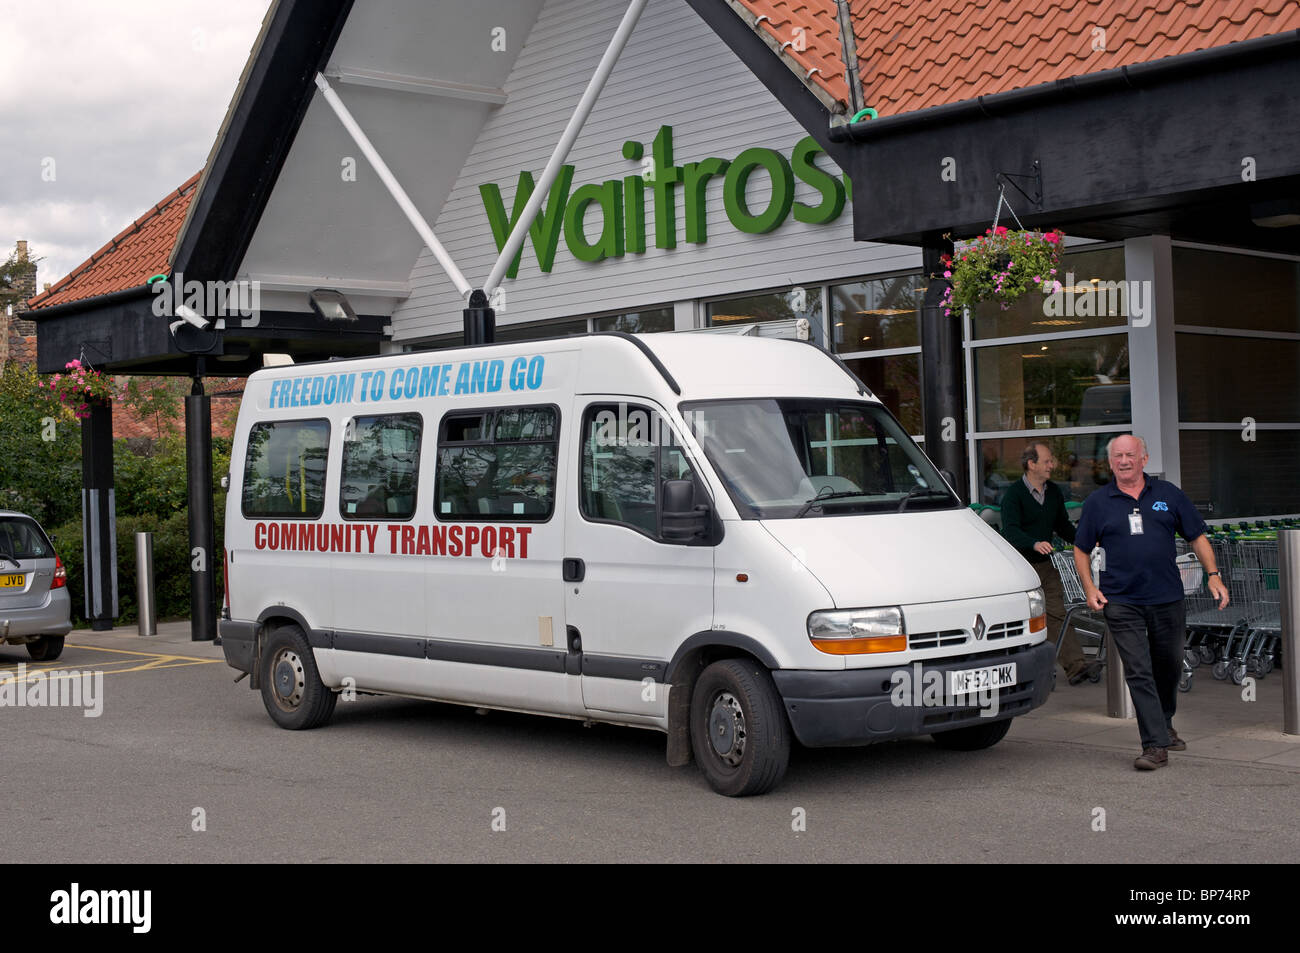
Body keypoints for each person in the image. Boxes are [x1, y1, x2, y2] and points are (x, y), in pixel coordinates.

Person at [1073, 435, 1229, 771]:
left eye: (1131, 454)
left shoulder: (1168, 495)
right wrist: (1089, 587)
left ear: (1144, 459)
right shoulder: (1098, 502)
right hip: (1121, 600)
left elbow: (1196, 536)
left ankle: (1165, 722)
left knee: (1168, 666)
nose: (1124, 460)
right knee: (1139, 671)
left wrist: (1213, 574)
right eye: (1118, 456)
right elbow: (1081, 549)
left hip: (1166, 597)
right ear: (1110, 462)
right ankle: (1155, 745)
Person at [1000, 441, 1099, 685]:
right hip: (1021, 569)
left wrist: (1085, 542)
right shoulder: (1014, 495)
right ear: (1031, 464)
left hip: (1045, 565)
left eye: (1051, 461)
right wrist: (1033, 542)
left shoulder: (1053, 491)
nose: (1052, 465)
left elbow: (1062, 525)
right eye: (1047, 461)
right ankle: (1024, 670)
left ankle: (1076, 667)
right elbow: (1010, 531)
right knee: (1022, 623)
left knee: (1057, 614)